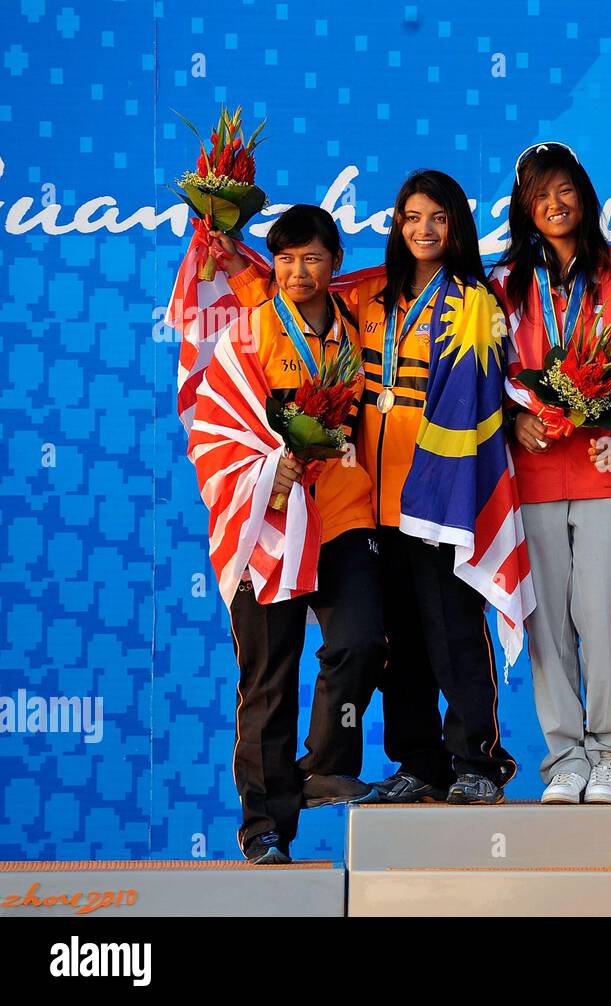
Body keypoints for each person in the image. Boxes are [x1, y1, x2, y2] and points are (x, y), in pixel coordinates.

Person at [219, 172, 520, 806]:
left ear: (457, 225)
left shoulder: (475, 302)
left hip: (438, 499)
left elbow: (488, 394)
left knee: (454, 631)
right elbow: (293, 302)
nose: (423, 229)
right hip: (373, 508)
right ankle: (420, 760)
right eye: (411, 216)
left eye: (437, 217)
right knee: (398, 644)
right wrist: (231, 254)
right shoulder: (370, 298)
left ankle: (475, 758)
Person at [191, 205, 385, 864]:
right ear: (273, 265)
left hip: (342, 517)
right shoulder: (248, 334)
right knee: (268, 681)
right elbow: (215, 431)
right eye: (286, 259)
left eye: (312, 258)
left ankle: (325, 764)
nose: (299, 271)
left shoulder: (360, 327)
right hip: (268, 525)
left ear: (335, 264)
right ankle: (265, 827)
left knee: (362, 641)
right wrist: (275, 464)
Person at [492, 142, 611, 805]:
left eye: (565, 190)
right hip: (532, 473)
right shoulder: (504, 284)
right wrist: (515, 421)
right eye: (540, 195)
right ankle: (563, 756)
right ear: (524, 208)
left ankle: (608, 755)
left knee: (601, 615)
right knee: (546, 621)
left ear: (585, 197)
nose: (555, 205)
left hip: (604, 469)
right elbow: (489, 377)